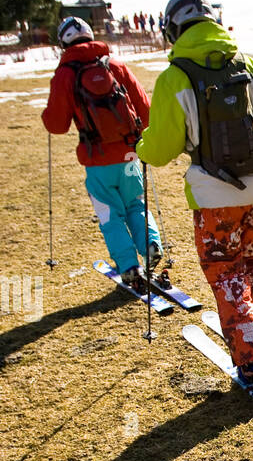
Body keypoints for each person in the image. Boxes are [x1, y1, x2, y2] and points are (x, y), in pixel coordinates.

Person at [136, 0, 253, 402]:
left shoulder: (174, 77)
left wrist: (141, 146)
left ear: (173, 29)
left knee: (227, 275)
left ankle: (252, 361)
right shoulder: (245, 64)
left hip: (212, 199)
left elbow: (158, 150)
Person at [41, 16, 162, 290]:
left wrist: (47, 116)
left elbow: (57, 125)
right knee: (135, 204)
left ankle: (129, 266)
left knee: (110, 214)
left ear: (64, 43)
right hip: (130, 153)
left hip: (97, 160)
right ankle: (151, 243)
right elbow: (145, 109)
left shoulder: (65, 75)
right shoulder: (115, 65)